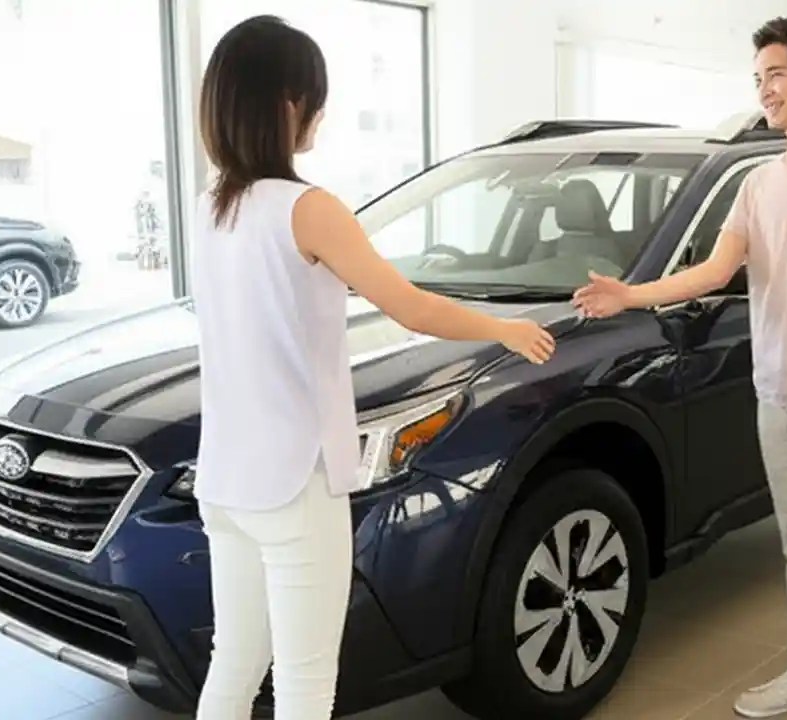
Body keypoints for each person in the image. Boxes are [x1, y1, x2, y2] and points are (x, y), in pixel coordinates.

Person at [190, 16, 554, 720]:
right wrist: (502, 328)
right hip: (296, 481)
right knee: (303, 683)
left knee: (233, 667)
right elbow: (410, 307)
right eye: (313, 98)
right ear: (286, 102)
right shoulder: (309, 208)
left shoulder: (211, 205)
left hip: (226, 480)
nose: (319, 114)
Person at [572, 16, 787, 720]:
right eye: (757, 78)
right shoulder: (760, 184)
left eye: (776, 74)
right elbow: (714, 268)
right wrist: (629, 294)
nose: (764, 89)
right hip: (778, 396)